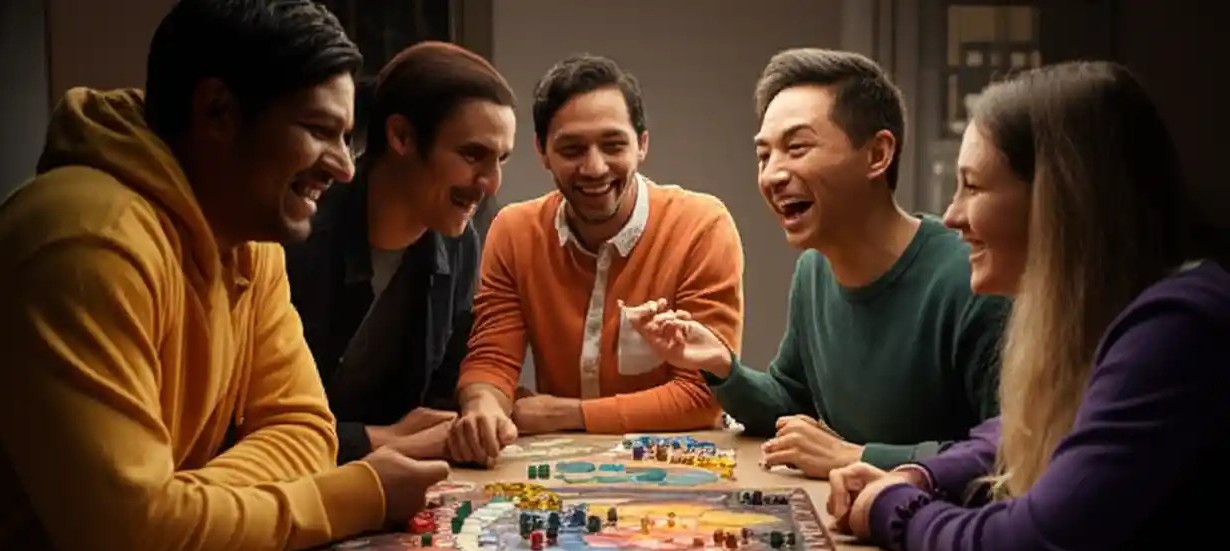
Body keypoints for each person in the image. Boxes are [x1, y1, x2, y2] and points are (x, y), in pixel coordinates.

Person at [0, 0, 449, 551]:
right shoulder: (85, 239)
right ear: (217, 112)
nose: (343, 168)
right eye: (318, 131)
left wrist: (180, 509)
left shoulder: (252, 243)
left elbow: (304, 429)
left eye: (347, 138)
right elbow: (130, 544)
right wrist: (353, 496)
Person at [825, 61, 1228, 551]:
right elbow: (1014, 432)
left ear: (1063, 199)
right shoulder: (1125, 305)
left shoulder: (1179, 324)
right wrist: (919, 476)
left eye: (973, 186)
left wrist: (895, 513)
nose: (952, 215)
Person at [629, 48, 1009, 478]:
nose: (772, 174)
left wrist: (858, 457)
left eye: (797, 148)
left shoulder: (975, 280)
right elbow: (789, 401)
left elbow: (1010, 456)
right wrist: (721, 366)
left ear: (878, 154)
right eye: (764, 155)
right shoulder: (814, 270)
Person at [448, 54, 745, 466]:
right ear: (542, 151)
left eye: (613, 145)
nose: (594, 167)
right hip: (561, 466)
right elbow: (493, 359)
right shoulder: (513, 230)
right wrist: (483, 407)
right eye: (572, 148)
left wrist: (566, 414)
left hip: (674, 465)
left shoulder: (701, 226)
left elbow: (702, 395)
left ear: (642, 144)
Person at [286, 41, 517, 464]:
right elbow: (249, 426)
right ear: (401, 137)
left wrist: (478, 412)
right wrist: (377, 440)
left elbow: (444, 389)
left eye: (501, 159)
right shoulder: (297, 237)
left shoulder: (461, 241)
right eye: (472, 154)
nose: (491, 182)